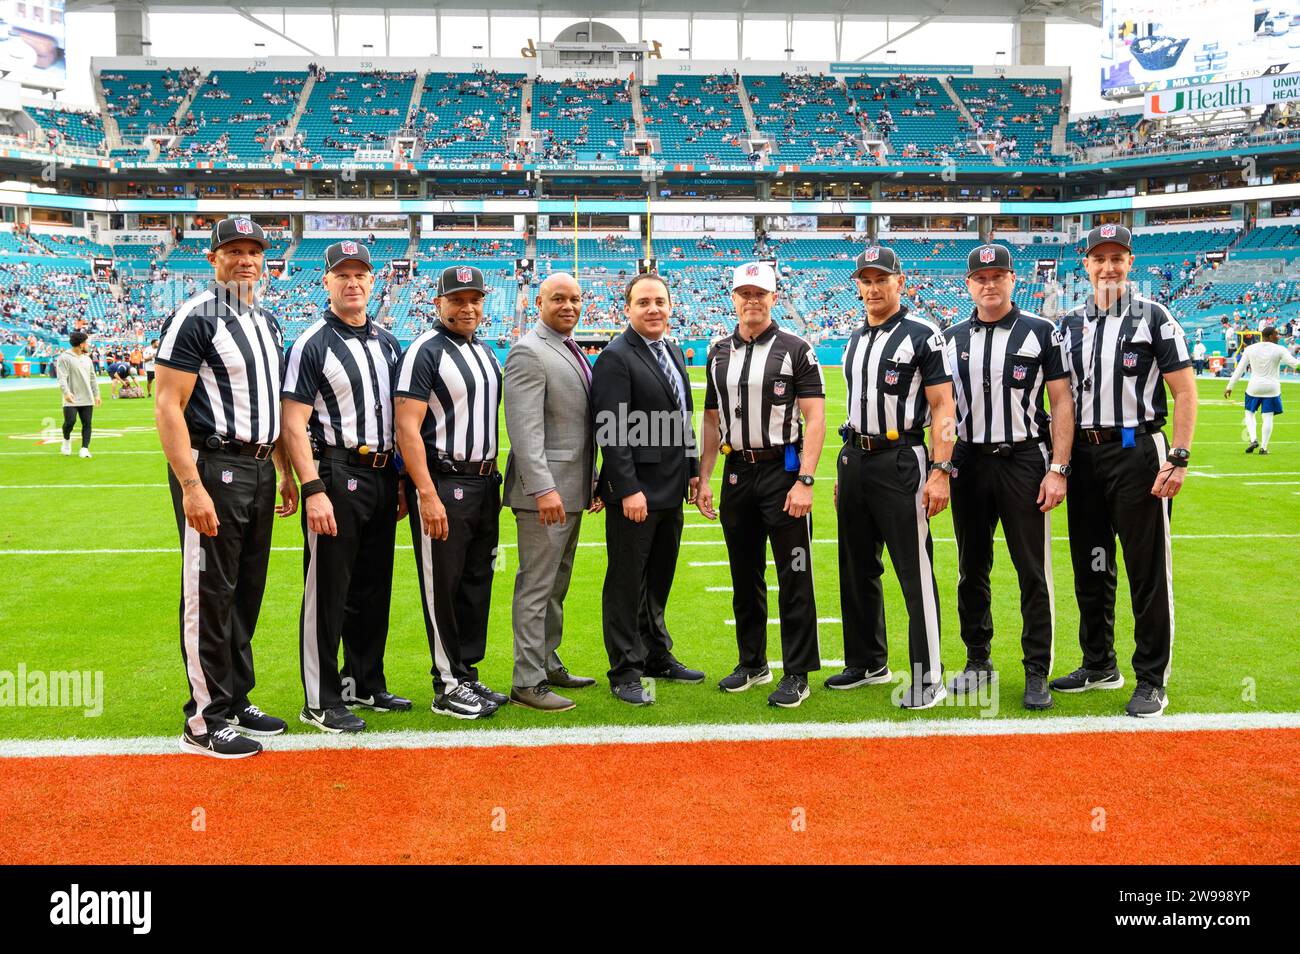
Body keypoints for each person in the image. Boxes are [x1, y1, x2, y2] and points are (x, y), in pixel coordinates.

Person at [154, 216, 298, 759]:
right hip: (213, 464)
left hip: (259, 468)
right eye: (232, 251)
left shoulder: (267, 320)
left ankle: (235, 697)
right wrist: (191, 485)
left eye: (253, 251)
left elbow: (272, 408)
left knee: (245, 590)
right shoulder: (196, 315)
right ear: (212, 259)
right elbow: (168, 404)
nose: (244, 260)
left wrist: (283, 470)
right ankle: (203, 717)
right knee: (209, 591)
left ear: (265, 260)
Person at [1052, 224, 1197, 718]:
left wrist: (1178, 457)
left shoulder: (1153, 317)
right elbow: (1061, 401)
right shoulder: (1068, 323)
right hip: (1087, 460)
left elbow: (1184, 392)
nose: (1109, 266)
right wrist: (1061, 463)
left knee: (1146, 570)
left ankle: (1152, 678)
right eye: (1100, 258)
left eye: (1118, 257)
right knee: (1092, 564)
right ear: (1086, 264)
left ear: (1130, 262)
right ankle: (1099, 663)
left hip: (1139, 452)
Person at [281, 241, 411, 734]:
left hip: (380, 474)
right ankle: (320, 697)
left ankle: (365, 681)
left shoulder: (387, 341)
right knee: (328, 589)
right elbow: (292, 422)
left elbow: (398, 419)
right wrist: (312, 488)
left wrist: (399, 479)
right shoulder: (312, 342)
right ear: (327, 282)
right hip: (336, 471)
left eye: (360, 274)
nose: (353, 282)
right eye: (343, 275)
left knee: (373, 586)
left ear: (372, 281)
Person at [942, 244, 1075, 711]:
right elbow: (941, 407)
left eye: (998, 275)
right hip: (969, 461)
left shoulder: (1041, 332)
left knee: (1031, 570)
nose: (990, 284)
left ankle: (1037, 668)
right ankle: (978, 659)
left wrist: (1058, 468)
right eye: (981, 277)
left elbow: (1061, 402)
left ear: (1014, 280)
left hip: (1023, 458)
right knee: (971, 568)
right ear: (968, 285)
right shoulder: (951, 336)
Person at [828, 245, 956, 710]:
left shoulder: (923, 333)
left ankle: (929, 676)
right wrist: (847, 465)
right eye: (865, 279)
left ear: (900, 282)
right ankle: (867, 661)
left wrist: (941, 469)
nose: (874, 287)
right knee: (857, 565)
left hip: (902, 456)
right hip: (856, 457)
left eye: (882, 278)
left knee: (913, 569)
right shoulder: (855, 338)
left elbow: (943, 404)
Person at [696, 262, 826, 708]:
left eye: (760, 293)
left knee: (794, 572)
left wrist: (805, 480)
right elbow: (711, 420)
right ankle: (752, 661)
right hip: (737, 473)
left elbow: (815, 418)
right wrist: (705, 477)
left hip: (782, 472)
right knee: (744, 573)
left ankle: (798, 672)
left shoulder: (796, 348)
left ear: (774, 298)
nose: (752, 300)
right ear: (732, 297)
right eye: (744, 293)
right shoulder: (717, 352)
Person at [394, 265, 508, 720]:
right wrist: (425, 491)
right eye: (457, 299)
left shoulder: (484, 351)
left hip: (484, 483)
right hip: (446, 479)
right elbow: (406, 426)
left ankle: (465, 673)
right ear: (437, 303)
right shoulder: (425, 349)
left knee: (476, 583)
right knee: (443, 583)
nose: (467, 307)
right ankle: (446, 682)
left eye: (474, 299)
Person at [591, 272, 706, 706]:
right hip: (636, 493)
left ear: (671, 305)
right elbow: (612, 430)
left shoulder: (672, 349)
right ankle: (625, 668)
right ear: (628, 309)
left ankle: (656, 653)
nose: (653, 308)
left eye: (660, 300)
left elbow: (682, 417)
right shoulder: (616, 357)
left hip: (671, 487)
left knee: (658, 578)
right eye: (644, 302)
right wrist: (628, 488)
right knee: (626, 582)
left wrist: (693, 469)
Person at [502, 273, 603, 712]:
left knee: (555, 586)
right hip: (545, 494)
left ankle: (545, 660)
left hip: (572, 489)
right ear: (539, 301)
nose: (568, 305)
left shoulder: (569, 347)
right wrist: (543, 488)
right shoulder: (529, 350)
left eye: (575, 298)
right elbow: (525, 430)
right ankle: (526, 681)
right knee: (536, 586)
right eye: (558, 298)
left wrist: (592, 480)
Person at [1226, 325, 1299, 455]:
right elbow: (1295, 364)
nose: (1278, 337)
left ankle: (1253, 439)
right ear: (1270, 336)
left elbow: (1240, 369)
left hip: (1254, 387)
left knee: (1249, 413)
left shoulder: (1250, 349)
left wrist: (1230, 386)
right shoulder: (1280, 349)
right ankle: (1264, 448)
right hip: (1272, 387)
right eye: (1276, 334)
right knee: (1268, 417)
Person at [56, 331, 100, 458]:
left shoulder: (87, 359)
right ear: (81, 344)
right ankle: (66, 441)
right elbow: (62, 378)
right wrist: (66, 392)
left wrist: (96, 394)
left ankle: (84, 449)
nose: (88, 345)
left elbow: (92, 378)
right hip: (71, 397)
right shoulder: (64, 357)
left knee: (87, 423)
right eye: (86, 342)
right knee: (70, 422)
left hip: (87, 397)